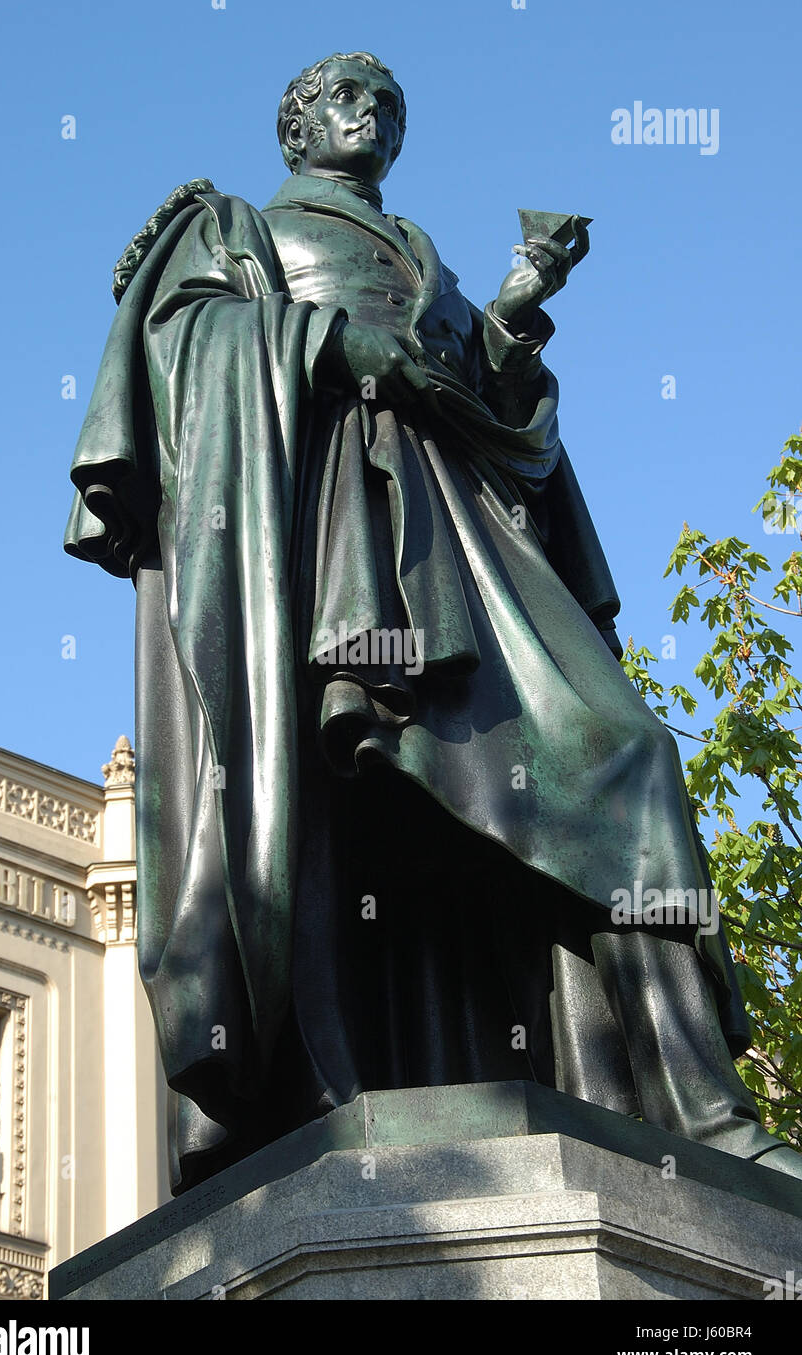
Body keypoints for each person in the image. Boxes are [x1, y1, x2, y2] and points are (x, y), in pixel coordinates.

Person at [65, 50, 802, 1191]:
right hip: (317, 549)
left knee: (634, 753)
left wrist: (509, 318)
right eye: (345, 99)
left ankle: (700, 1114)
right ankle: (313, 1098)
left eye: (389, 106)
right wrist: (319, 343)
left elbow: (491, 416)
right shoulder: (234, 226)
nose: (372, 117)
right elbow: (180, 352)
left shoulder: (423, 255)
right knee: (341, 823)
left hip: (457, 549)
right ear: (297, 127)